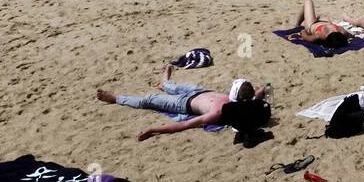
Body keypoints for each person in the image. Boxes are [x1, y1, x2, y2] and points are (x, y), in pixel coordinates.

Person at [97, 68, 269, 142]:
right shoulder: (246, 101)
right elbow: (259, 93)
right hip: (201, 91)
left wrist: (153, 129)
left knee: (148, 100)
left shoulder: (217, 112)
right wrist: (262, 92)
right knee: (174, 86)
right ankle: (164, 82)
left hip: (183, 104)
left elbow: (184, 125)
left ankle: (116, 98)